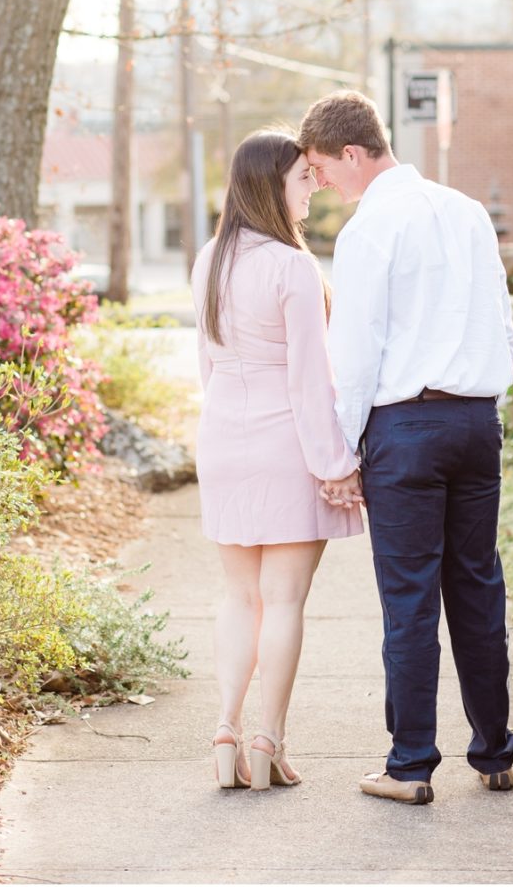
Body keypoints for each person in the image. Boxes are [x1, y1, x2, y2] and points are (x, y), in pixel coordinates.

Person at [298, 89, 513, 806]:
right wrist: (487, 399)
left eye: (325, 169)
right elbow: (501, 320)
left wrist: (341, 451)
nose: (323, 183)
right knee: (476, 587)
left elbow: (356, 352)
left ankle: (409, 765)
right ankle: (493, 754)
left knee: (410, 600)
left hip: (404, 428)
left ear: (354, 153)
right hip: (474, 421)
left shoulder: (368, 230)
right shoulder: (467, 213)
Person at [192, 130, 363, 791]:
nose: (311, 188)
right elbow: (307, 378)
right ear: (269, 185)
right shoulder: (291, 266)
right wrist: (334, 464)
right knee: (283, 599)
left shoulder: (209, 258)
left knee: (239, 598)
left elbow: (205, 364)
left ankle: (226, 729)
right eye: (300, 180)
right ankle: (267, 739)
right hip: (285, 445)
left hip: (224, 441)